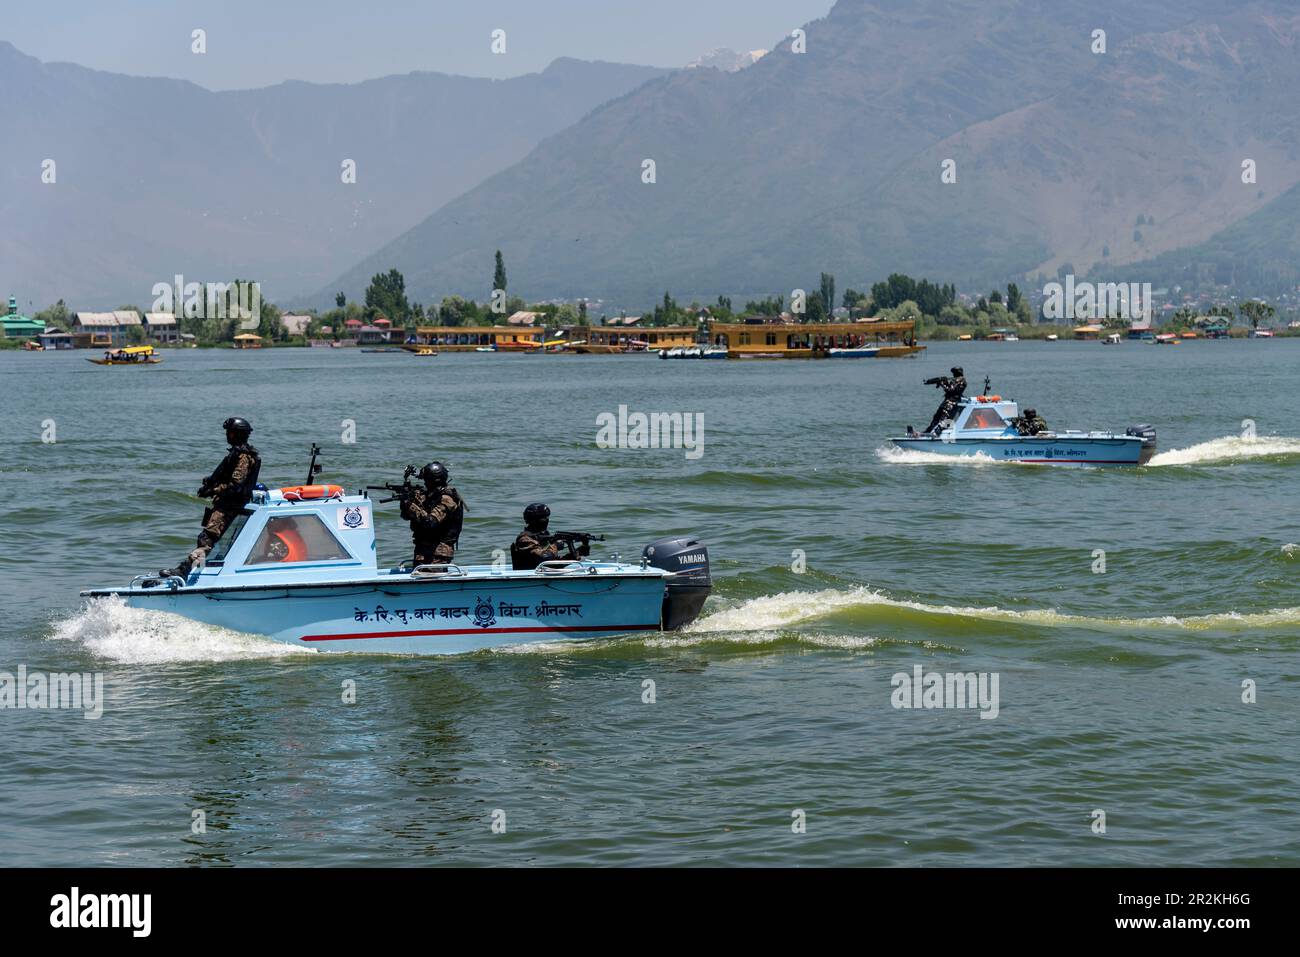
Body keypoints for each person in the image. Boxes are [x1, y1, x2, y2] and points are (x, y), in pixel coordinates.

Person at [160, 417, 261, 578]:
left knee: (207, 538)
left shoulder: (243, 457)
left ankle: (186, 571)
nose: (227, 435)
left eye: (230, 432)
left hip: (230, 504)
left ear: (237, 434)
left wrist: (214, 490)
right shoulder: (237, 454)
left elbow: (236, 484)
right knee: (213, 538)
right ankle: (198, 570)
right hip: (227, 503)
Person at [403, 462, 465, 567]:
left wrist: (411, 506)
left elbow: (430, 522)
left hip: (438, 553)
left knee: (426, 581)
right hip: (422, 550)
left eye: (426, 480)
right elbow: (406, 516)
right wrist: (406, 503)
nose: (425, 484)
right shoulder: (431, 497)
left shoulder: (447, 499)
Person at [510, 502, 589, 570]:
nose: (546, 520)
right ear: (533, 520)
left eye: (547, 517)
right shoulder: (524, 539)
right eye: (543, 518)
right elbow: (545, 558)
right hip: (528, 578)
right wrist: (555, 545)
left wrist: (580, 550)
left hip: (544, 575)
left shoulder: (543, 536)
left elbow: (554, 564)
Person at [925, 366, 967, 434]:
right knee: (936, 416)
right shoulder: (955, 380)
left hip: (952, 402)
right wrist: (945, 382)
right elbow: (950, 387)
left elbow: (950, 389)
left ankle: (938, 432)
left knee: (944, 418)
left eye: (954, 373)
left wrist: (942, 384)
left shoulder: (961, 380)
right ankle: (929, 431)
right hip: (947, 400)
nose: (953, 374)